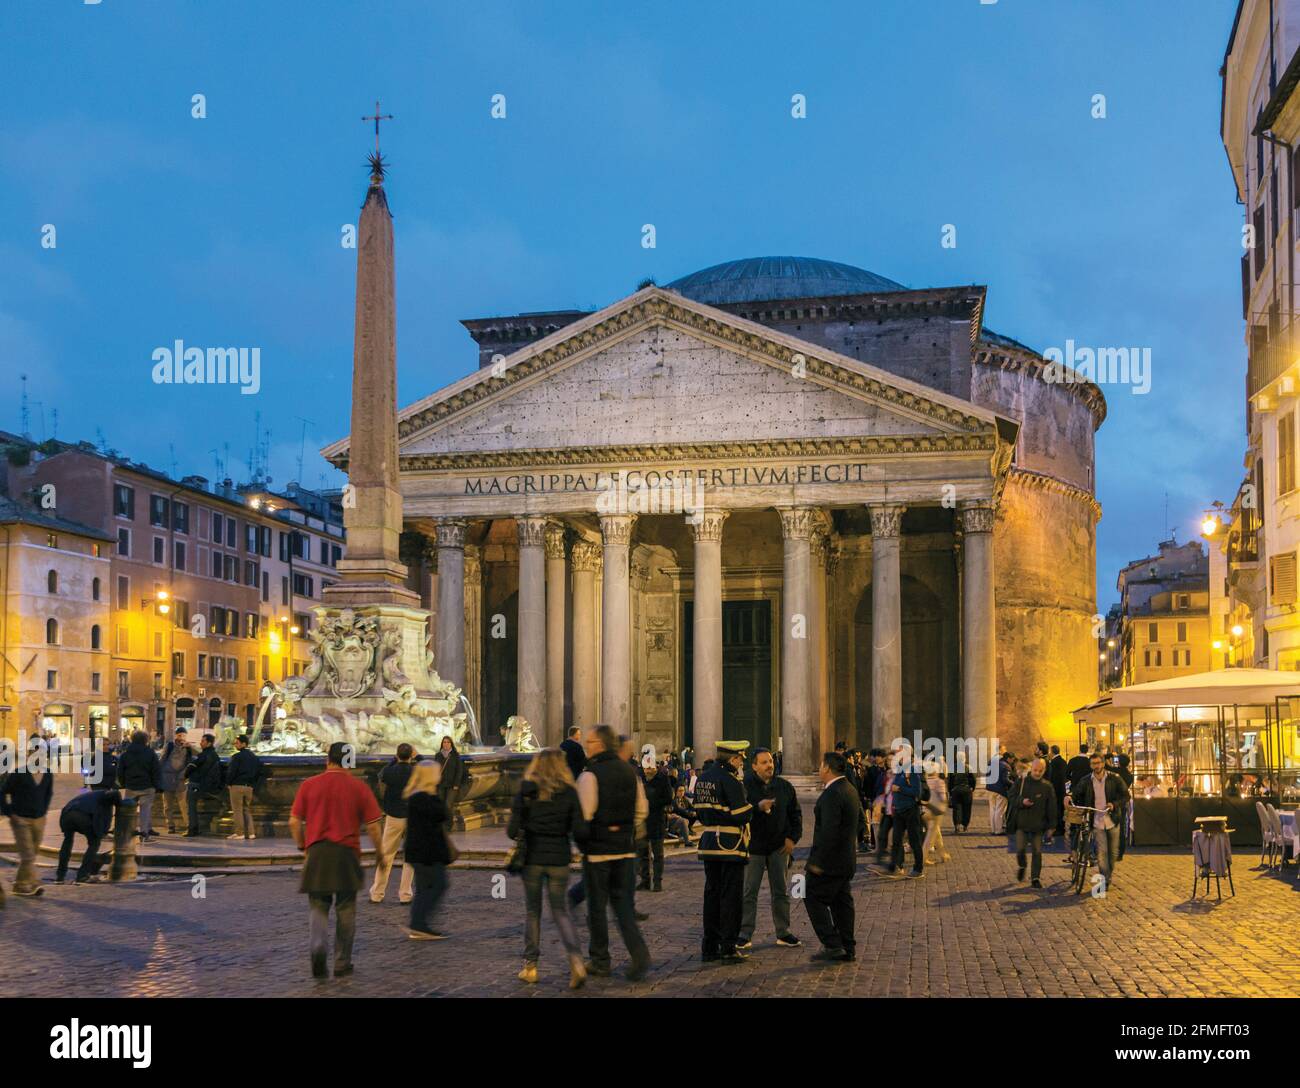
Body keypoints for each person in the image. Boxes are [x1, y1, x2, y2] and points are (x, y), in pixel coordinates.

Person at [289, 742, 385, 979]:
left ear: (327, 759)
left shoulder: (309, 785)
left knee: (318, 906)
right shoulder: (359, 787)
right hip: (347, 854)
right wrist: (381, 853)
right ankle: (342, 962)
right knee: (346, 909)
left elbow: (294, 821)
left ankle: (318, 946)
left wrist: (302, 844)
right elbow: (373, 826)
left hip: (317, 853)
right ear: (349, 761)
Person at [574, 724, 650, 981]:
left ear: (603, 744)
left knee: (596, 908)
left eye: (591, 742)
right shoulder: (631, 773)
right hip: (625, 852)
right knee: (624, 909)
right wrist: (625, 830)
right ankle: (640, 956)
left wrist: (584, 843)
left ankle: (600, 960)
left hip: (598, 854)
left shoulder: (589, 775)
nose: (587, 745)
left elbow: (583, 816)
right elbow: (641, 811)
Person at [508, 748, 588, 988]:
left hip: (531, 859)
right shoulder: (570, 793)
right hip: (559, 859)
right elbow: (580, 830)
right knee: (560, 911)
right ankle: (575, 961)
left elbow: (512, 831)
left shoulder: (525, 792)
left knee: (533, 912)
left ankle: (530, 967)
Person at [694, 739, 754, 964]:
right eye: (740, 759)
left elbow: (699, 811)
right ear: (733, 758)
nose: (741, 764)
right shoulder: (729, 780)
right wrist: (755, 808)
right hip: (729, 844)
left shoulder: (703, 778)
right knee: (731, 898)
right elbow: (742, 814)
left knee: (711, 895)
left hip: (709, 841)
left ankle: (709, 947)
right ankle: (728, 947)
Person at [738, 746, 802, 950]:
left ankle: (783, 932)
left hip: (778, 847)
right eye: (764, 762)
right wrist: (758, 808)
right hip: (754, 847)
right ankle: (744, 933)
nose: (769, 765)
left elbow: (796, 815)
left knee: (781, 891)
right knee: (749, 892)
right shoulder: (744, 786)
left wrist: (793, 838)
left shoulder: (785, 787)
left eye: (771, 762)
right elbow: (739, 813)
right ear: (754, 765)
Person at [805, 751, 862, 962]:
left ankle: (832, 944)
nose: (820, 769)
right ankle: (848, 947)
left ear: (827, 768)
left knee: (811, 895)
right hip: (846, 859)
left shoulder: (832, 794)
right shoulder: (850, 789)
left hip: (830, 862)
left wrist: (817, 862)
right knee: (841, 903)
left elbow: (828, 831)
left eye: (821, 765)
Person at [403, 761, 452, 941]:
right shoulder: (423, 798)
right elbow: (443, 815)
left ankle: (419, 924)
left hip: (421, 852)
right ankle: (418, 924)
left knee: (424, 888)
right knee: (438, 885)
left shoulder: (418, 796)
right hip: (427, 853)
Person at [1, 736, 55, 896]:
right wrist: (11, 813)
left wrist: (43, 812)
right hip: (21, 819)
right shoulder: (19, 773)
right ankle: (31, 884)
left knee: (32, 853)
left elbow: (48, 794)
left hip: (39, 819)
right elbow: (2, 793)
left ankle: (20, 884)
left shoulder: (47, 774)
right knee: (28, 854)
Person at [1071, 751, 1131, 891]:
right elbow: (1076, 793)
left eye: (1098, 763)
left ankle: (1107, 875)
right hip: (1096, 820)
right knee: (1102, 853)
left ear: (1103, 763)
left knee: (1113, 853)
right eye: (1093, 763)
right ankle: (1104, 879)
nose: (1096, 766)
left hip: (1112, 819)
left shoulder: (1114, 778)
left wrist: (1113, 804)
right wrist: (1070, 798)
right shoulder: (1086, 780)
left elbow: (1125, 796)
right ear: (1090, 765)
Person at [369, 743, 417, 905]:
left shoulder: (390, 771)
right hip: (411, 817)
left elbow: (381, 774)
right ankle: (405, 894)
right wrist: (418, 757)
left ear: (397, 755)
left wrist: (393, 760)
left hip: (394, 817)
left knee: (387, 854)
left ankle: (377, 892)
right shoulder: (415, 771)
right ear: (411, 755)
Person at [55, 788, 125, 884]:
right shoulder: (106, 804)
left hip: (67, 814)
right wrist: (102, 834)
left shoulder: (95, 794)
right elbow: (103, 825)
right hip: (82, 817)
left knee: (67, 842)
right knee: (94, 844)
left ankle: (60, 876)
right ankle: (82, 875)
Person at [876, 747, 925, 878]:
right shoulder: (899, 771)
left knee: (914, 841)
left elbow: (917, 793)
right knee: (896, 841)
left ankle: (918, 868)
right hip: (898, 811)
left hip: (910, 810)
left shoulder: (913, 771)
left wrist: (900, 788)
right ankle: (894, 867)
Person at [1008, 757, 1057, 888]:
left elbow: (1052, 807)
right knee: (1020, 849)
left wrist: (1052, 826)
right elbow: (1011, 797)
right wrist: (1021, 801)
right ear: (1031, 768)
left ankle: (1035, 878)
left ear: (1044, 770)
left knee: (1037, 851)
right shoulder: (1022, 781)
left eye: (1040, 770)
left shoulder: (1047, 786)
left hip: (1038, 825)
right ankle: (1022, 865)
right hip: (1022, 823)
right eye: (1035, 770)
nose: (1037, 773)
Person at [637, 755, 674, 892]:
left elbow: (668, 798)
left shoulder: (662, 779)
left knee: (658, 853)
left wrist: (652, 802)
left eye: (650, 768)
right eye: (646, 769)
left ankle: (657, 881)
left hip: (657, 819)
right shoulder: (640, 778)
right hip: (642, 821)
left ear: (655, 767)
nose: (647, 771)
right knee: (642, 853)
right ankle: (644, 880)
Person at [116, 730, 161, 842]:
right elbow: (156, 771)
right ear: (146, 740)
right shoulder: (150, 753)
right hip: (147, 786)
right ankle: (144, 835)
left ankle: (127, 834)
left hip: (131, 786)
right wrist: (156, 785)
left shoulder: (125, 754)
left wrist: (123, 783)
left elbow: (120, 771)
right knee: (145, 811)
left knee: (128, 811)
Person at [224, 733, 264, 840]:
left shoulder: (236, 757)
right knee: (246, 809)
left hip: (237, 786)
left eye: (237, 743)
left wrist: (228, 783)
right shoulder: (255, 758)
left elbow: (231, 771)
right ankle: (251, 833)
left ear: (243, 744)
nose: (235, 744)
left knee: (237, 810)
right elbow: (259, 772)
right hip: (249, 787)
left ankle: (239, 833)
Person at [183, 733, 223, 837]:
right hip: (208, 785)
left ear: (209, 743)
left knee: (191, 806)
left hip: (196, 783)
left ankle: (192, 829)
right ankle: (194, 828)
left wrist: (186, 775)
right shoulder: (215, 755)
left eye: (203, 741)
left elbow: (192, 766)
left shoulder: (204, 755)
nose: (201, 743)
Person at [158, 726, 194, 834]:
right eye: (179, 735)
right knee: (168, 805)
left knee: (184, 805)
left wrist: (191, 747)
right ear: (175, 735)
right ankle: (170, 825)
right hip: (167, 778)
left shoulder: (188, 748)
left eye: (183, 735)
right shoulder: (169, 746)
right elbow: (162, 759)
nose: (181, 737)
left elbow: (196, 757)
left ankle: (188, 825)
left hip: (180, 780)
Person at [921, 757, 951, 864]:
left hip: (925, 811)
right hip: (935, 811)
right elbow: (943, 798)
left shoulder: (924, 781)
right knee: (930, 838)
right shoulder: (939, 782)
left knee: (936, 834)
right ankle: (923, 858)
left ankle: (943, 855)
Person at [433, 736, 465, 808]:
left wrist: (456, 784)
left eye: (448, 742)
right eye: (444, 742)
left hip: (452, 784)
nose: (446, 744)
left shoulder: (455, 755)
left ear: (451, 744)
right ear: (442, 744)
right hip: (441, 784)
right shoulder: (438, 755)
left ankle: (449, 819)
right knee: (440, 804)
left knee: (448, 804)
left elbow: (459, 770)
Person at [947, 753, 975, 833]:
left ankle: (957, 825)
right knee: (967, 808)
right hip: (966, 789)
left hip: (955, 790)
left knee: (957, 808)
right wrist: (972, 788)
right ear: (964, 758)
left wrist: (950, 791)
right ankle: (965, 825)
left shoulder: (952, 767)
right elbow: (973, 779)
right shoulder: (968, 767)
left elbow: (950, 781)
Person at [1048, 744, 1068, 842]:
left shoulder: (1053, 763)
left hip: (1056, 790)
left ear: (1052, 752)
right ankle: (1062, 827)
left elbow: (1053, 778)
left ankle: (1058, 829)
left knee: (1057, 810)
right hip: (1062, 790)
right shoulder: (1063, 761)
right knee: (1061, 809)